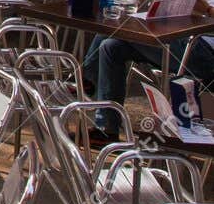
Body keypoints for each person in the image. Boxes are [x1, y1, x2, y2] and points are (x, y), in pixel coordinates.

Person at [83, 29, 214, 145]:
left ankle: (85, 80)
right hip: (183, 39)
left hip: (203, 52)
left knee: (121, 25)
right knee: (111, 46)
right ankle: (107, 129)